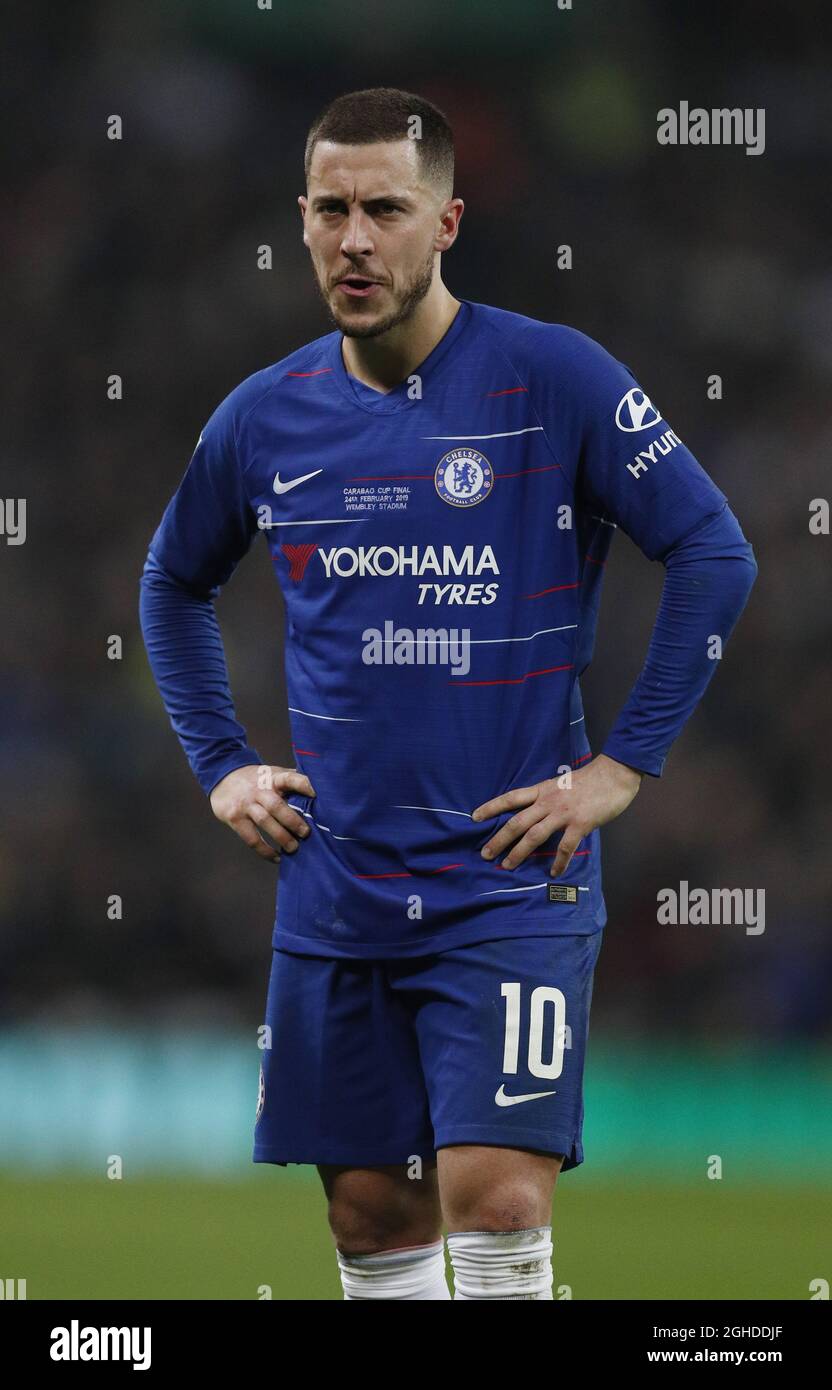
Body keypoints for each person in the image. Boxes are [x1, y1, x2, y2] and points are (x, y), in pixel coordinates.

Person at [139, 86, 757, 1300]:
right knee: (373, 1217)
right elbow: (171, 582)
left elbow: (713, 551)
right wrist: (220, 762)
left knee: (500, 1197)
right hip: (338, 880)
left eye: (385, 209)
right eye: (330, 209)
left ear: (447, 222)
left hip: (506, 874)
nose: (355, 238)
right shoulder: (265, 416)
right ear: (302, 221)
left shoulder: (554, 378)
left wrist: (620, 767)